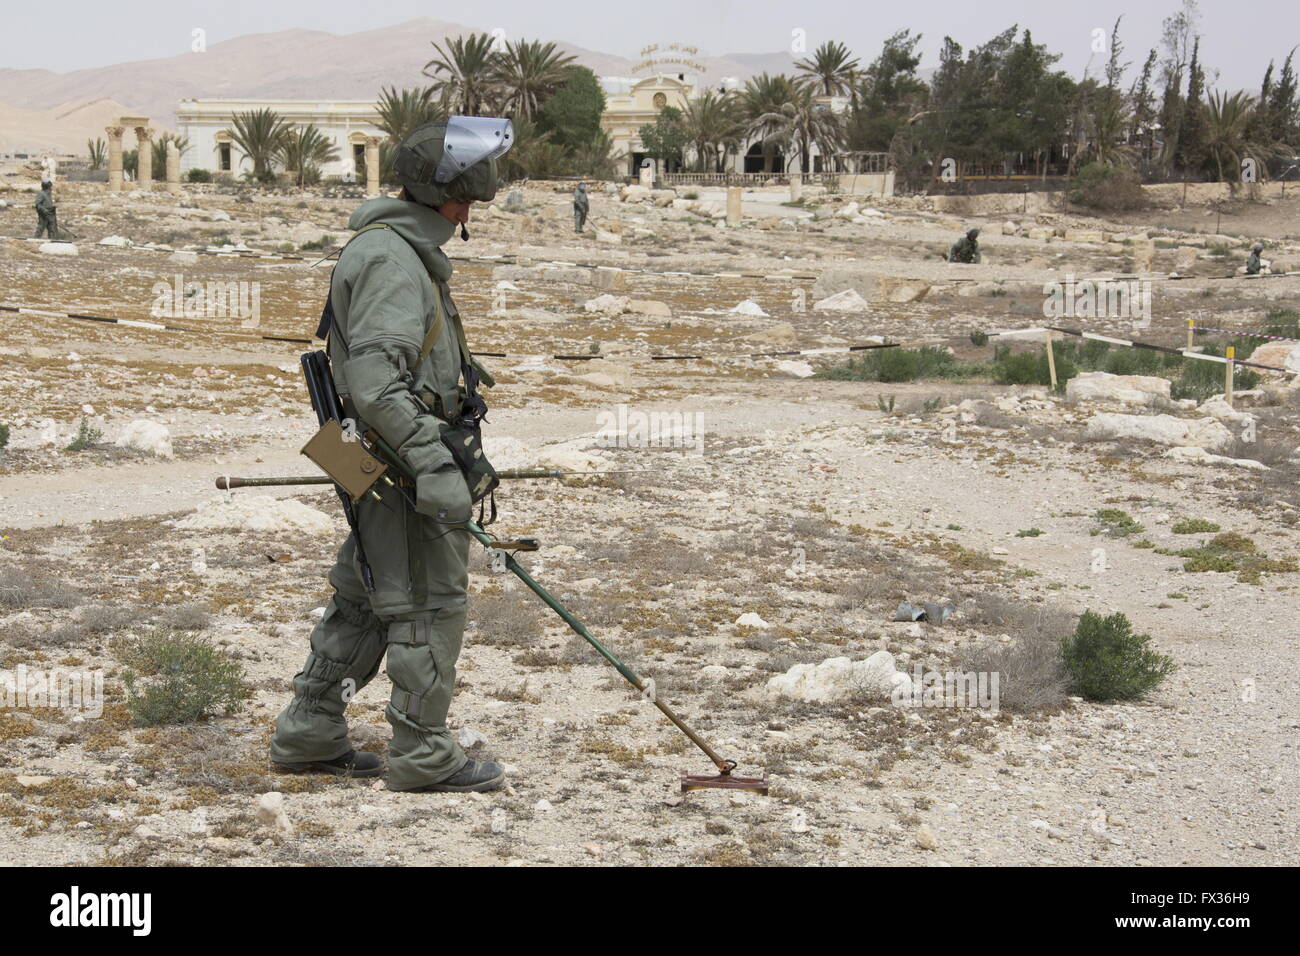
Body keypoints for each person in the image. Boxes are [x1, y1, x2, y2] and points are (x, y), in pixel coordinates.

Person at [270, 117, 514, 793]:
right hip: (393, 459)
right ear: (449, 193)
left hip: (367, 451)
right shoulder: (390, 259)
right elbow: (378, 385)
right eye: (470, 195)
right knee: (427, 602)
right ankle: (424, 754)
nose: (474, 208)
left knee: (366, 594)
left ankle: (310, 731)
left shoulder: (396, 248)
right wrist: (434, 465)